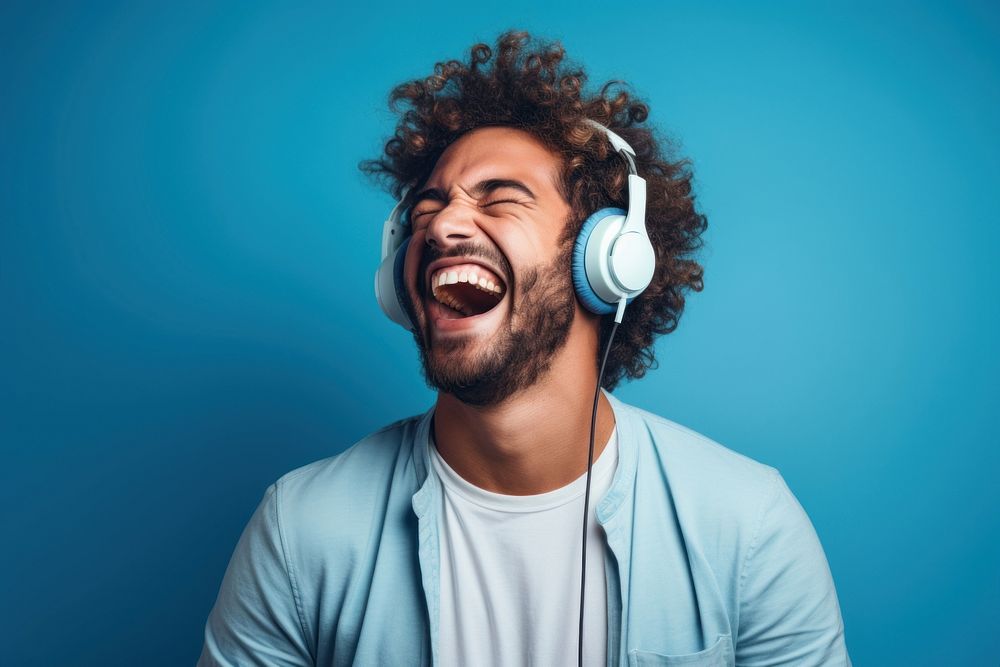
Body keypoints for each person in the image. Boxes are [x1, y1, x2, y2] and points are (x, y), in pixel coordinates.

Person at [198, 31, 850, 667]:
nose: (443, 225)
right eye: (427, 209)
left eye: (501, 198)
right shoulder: (301, 531)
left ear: (606, 260)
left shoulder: (747, 528)